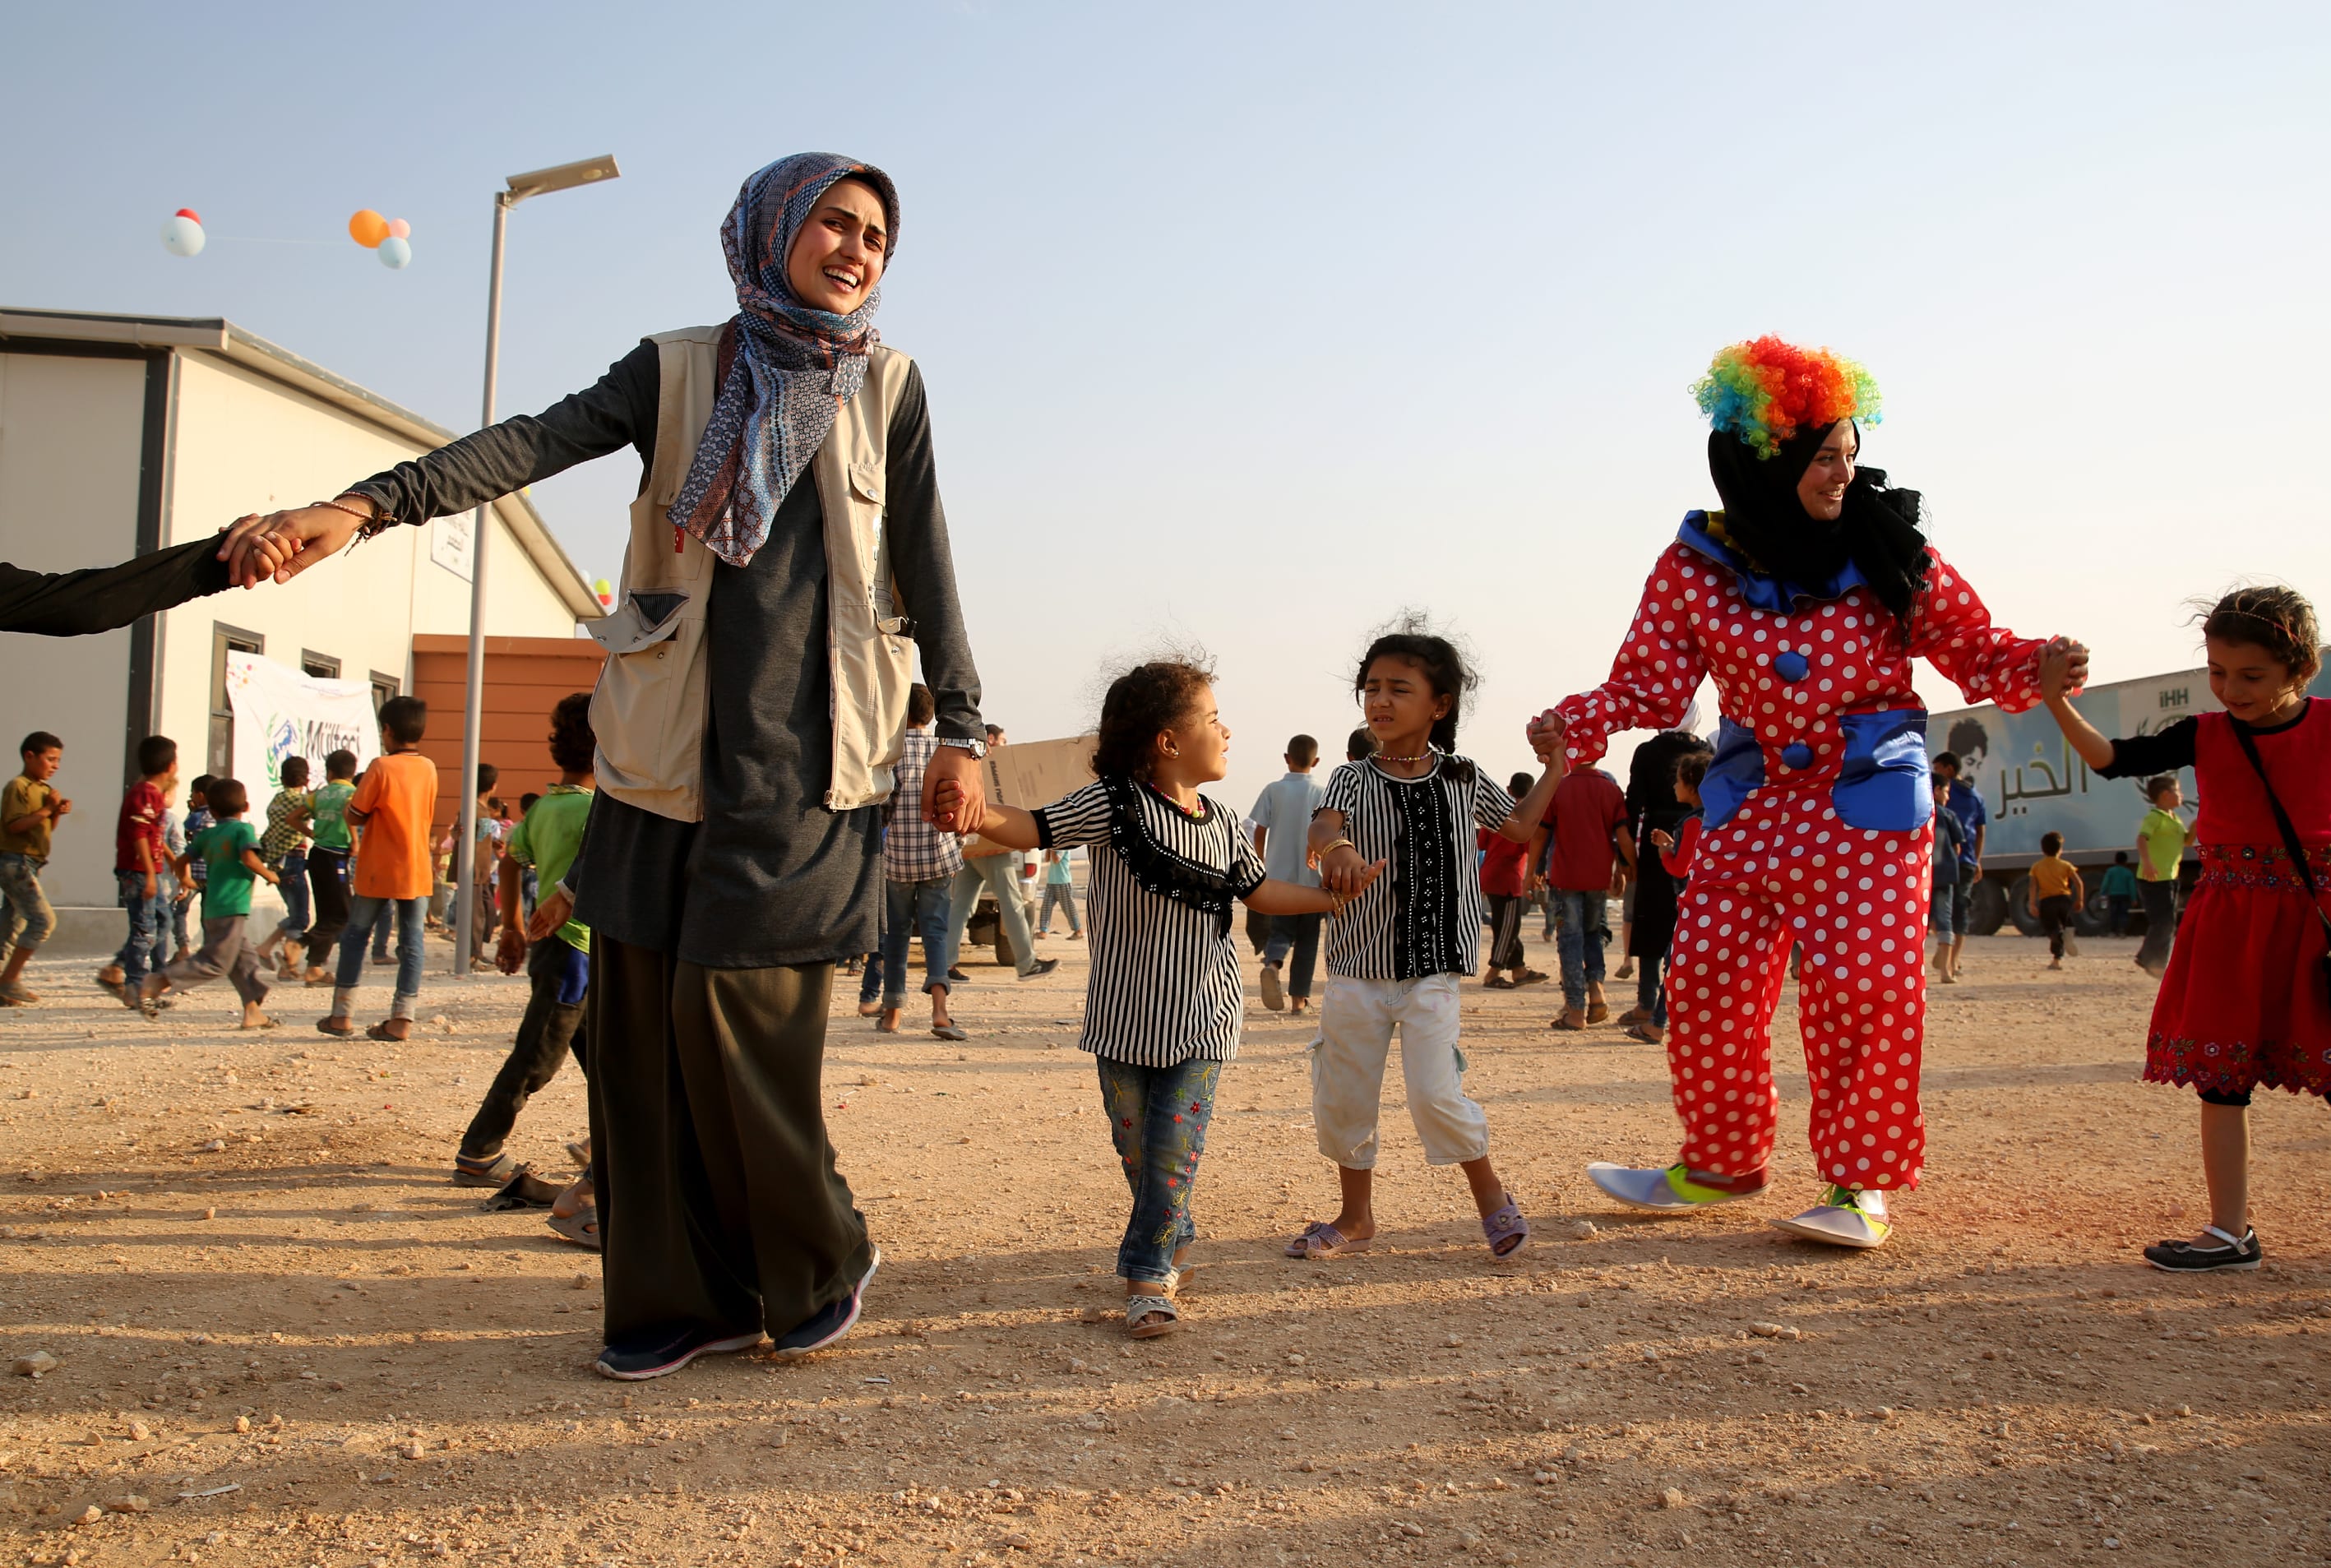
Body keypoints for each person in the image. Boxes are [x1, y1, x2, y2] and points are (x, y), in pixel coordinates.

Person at [220, 155, 992, 1380]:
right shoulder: (676, 368)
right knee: (639, 1048)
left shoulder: (886, 386)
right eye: (834, 224)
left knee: (734, 1023)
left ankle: (817, 1257)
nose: (856, 250)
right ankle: (672, 1300)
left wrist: (959, 726)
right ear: (771, 230)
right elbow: (529, 442)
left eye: (876, 235)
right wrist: (365, 507)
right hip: (659, 759)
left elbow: (927, 557)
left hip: (807, 770)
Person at [1535, 336, 2063, 1249]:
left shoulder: (1887, 546)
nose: (1843, 473)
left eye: (1851, 455)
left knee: (1862, 987)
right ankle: (1720, 1160)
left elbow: (1978, 649)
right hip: (1754, 794)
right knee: (1704, 980)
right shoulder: (1697, 563)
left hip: (1866, 794)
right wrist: (1574, 721)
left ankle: (1859, 1186)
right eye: (1825, 457)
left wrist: (2039, 666)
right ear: (1769, 459)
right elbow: (1650, 688)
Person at [938, 659, 1357, 1336]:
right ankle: (1174, 1229)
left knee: (1170, 1153)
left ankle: (1145, 1275)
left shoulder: (1222, 822)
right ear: (1168, 742)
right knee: (1137, 1150)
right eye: (1213, 719)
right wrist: (980, 811)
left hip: (1202, 1016)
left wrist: (1330, 898)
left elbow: (1258, 893)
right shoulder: (1110, 804)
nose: (1227, 730)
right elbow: (1035, 827)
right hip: (1124, 1018)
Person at [2036, 585, 2330, 1271]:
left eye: (2250, 675)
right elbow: (2112, 758)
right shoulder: (2203, 733)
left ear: (2299, 668)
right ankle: (2230, 1232)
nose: (2230, 689)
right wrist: (2055, 700)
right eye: (2217, 672)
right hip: (2229, 922)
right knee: (2221, 1082)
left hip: (2312, 923)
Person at [1292, 623, 1566, 1264]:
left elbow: (1521, 825)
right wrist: (1338, 848)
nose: (1379, 700)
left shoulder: (1464, 775)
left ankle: (1490, 1195)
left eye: (1397, 688)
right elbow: (1324, 822)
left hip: (1432, 972)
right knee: (1344, 1095)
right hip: (1358, 969)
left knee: (1435, 1092)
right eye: (1371, 688)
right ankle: (1354, 1218)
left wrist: (1555, 767)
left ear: (1438, 704)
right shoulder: (1351, 776)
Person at [459, 695, 599, 1242]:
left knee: (603, 1060)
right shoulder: (595, 810)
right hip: (574, 950)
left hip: (560, 947)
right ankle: (480, 1148)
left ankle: (601, 1143)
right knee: (537, 1055)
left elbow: (512, 861)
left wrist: (512, 924)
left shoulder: (542, 807)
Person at [321, 697, 437, 1041]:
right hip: (416, 866)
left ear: (387, 731)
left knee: (356, 936)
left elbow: (357, 812)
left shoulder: (380, 767)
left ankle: (342, 1014)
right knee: (412, 943)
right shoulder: (428, 767)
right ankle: (403, 1018)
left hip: (378, 867)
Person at [141, 777, 280, 1028]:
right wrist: (269, 874)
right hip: (233, 906)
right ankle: (159, 981)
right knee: (217, 962)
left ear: (212, 811)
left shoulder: (208, 835)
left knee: (244, 960)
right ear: (246, 806)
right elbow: (249, 858)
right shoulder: (243, 830)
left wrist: (186, 879)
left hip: (213, 908)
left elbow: (181, 861)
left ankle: (253, 1012)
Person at [876, 685, 966, 1039]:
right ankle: (940, 1013)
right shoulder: (944, 755)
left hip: (897, 861)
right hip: (939, 859)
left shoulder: (890, 754)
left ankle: (892, 1014)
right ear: (931, 716)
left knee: (896, 936)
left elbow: (881, 811)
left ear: (902, 714)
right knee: (936, 933)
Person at [943, 724, 1058, 988]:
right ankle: (1027, 964)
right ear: (992, 739)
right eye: (1003, 740)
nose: (1006, 745)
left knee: (961, 906)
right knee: (1011, 901)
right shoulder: (994, 768)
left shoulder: (969, 763)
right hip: (992, 844)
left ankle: (944, 964)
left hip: (970, 844)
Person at [1533, 760, 1633, 1030]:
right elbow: (1621, 836)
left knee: (1569, 942)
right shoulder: (1611, 789)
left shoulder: (1558, 788)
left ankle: (1575, 1010)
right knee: (1593, 936)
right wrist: (1626, 870)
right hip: (1598, 877)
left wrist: (1530, 871)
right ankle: (1597, 990)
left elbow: (1540, 835)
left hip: (1566, 878)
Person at [94, 738, 178, 1010]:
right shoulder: (145, 793)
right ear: (171, 766)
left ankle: (117, 967)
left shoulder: (152, 795)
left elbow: (153, 834)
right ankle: (135, 987)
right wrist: (151, 875)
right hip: (139, 872)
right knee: (145, 929)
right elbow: (139, 833)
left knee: (163, 921)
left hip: (148, 869)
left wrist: (172, 861)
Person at [1630, 752, 1710, 1043]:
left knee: (1674, 964)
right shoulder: (1716, 817)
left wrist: (1665, 852)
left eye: (1677, 781)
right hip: (1713, 906)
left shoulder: (1693, 822)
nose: (1674, 787)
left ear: (1692, 785)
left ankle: (1657, 1024)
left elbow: (1680, 868)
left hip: (1693, 907)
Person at [1250, 733, 1329, 1014]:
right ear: (1316, 761)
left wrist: (1260, 859)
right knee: (1307, 941)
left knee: (1281, 932)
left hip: (1278, 880)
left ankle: (1272, 963)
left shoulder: (1273, 789)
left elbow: (1259, 828)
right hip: (1311, 881)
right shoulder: (1323, 792)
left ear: (1287, 758)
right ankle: (1298, 1001)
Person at [0, 731, 70, 1004]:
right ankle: (10, 980)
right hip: (14, 862)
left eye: (58, 761)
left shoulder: (43, 790)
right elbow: (14, 826)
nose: (55, 766)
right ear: (30, 756)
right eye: (50, 759)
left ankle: (3, 985)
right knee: (43, 921)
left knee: (11, 923)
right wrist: (46, 810)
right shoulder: (19, 786)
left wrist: (55, 814)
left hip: (31, 862)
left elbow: (43, 830)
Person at [1478, 770, 1545, 990]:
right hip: (1509, 878)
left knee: (1503, 924)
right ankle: (1493, 973)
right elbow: (1531, 846)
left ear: (1508, 790)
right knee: (1509, 928)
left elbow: (1482, 843)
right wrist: (1532, 875)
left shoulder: (1498, 812)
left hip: (1490, 873)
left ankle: (1519, 969)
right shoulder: (1527, 816)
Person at [302, 750, 358, 984]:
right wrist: (355, 839)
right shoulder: (352, 793)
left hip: (317, 854)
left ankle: (314, 967)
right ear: (353, 773)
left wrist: (313, 833)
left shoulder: (321, 793)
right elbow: (349, 814)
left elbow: (294, 817)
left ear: (329, 772)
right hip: (336, 856)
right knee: (344, 915)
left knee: (325, 913)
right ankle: (298, 943)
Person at [254, 757, 313, 977]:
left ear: (281, 778)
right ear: (306, 779)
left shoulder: (276, 800)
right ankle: (290, 958)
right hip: (294, 859)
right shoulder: (302, 802)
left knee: (293, 912)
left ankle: (268, 949)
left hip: (276, 862)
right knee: (301, 917)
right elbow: (313, 810)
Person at [1931, 751, 1987, 974]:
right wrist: (1977, 860)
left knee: (1938, 911)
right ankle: (1952, 960)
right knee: (1959, 910)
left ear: (1949, 770)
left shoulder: (1937, 792)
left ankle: (1947, 955)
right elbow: (1981, 832)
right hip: (1965, 861)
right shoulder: (1976, 796)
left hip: (1940, 862)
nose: (1934, 773)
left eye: (1937, 769)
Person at [2134, 775, 2191, 976]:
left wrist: (2196, 825)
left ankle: (2150, 959)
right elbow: (2141, 839)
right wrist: (2148, 862)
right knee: (2164, 921)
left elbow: (2187, 841)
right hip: (2154, 878)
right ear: (2166, 795)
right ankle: (2152, 961)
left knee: (2167, 921)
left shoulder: (2175, 820)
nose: (2182, 795)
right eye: (2178, 791)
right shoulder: (2155, 817)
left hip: (2170, 877)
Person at [1927, 777, 1968, 983]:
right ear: (1936, 790)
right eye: (1946, 791)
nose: (1948, 796)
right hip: (1945, 875)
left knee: (1925, 919)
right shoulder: (1949, 815)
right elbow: (1957, 847)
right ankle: (1946, 970)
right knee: (1945, 919)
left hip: (1921, 877)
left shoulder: (1919, 813)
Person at [2027, 830, 2085, 968]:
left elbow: (2033, 886)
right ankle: (2063, 944)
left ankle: (2057, 953)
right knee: (2066, 925)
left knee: (2052, 930)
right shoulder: (2066, 865)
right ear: (2060, 849)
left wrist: (2032, 904)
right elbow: (2079, 883)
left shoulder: (2037, 867)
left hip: (2047, 902)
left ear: (2043, 849)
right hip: (2064, 899)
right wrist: (2080, 900)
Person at [1037, 848, 1082, 938]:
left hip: (1062, 881)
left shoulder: (1063, 846)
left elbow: (1056, 859)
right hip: (1052, 881)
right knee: (1046, 907)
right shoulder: (1054, 846)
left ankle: (1078, 930)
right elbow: (1047, 859)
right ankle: (1043, 931)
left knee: (1068, 907)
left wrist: (1052, 847)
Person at [2101, 851, 2138, 937]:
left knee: (2113, 913)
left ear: (2115, 860)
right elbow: (2132, 887)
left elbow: (2105, 883)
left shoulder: (2110, 871)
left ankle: (2113, 931)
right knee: (2123, 913)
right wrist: (2134, 899)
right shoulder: (2128, 873)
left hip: (2113, 896)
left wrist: (2103, 893)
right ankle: (2122, 931)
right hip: (2125, 896)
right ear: (2126, 861)